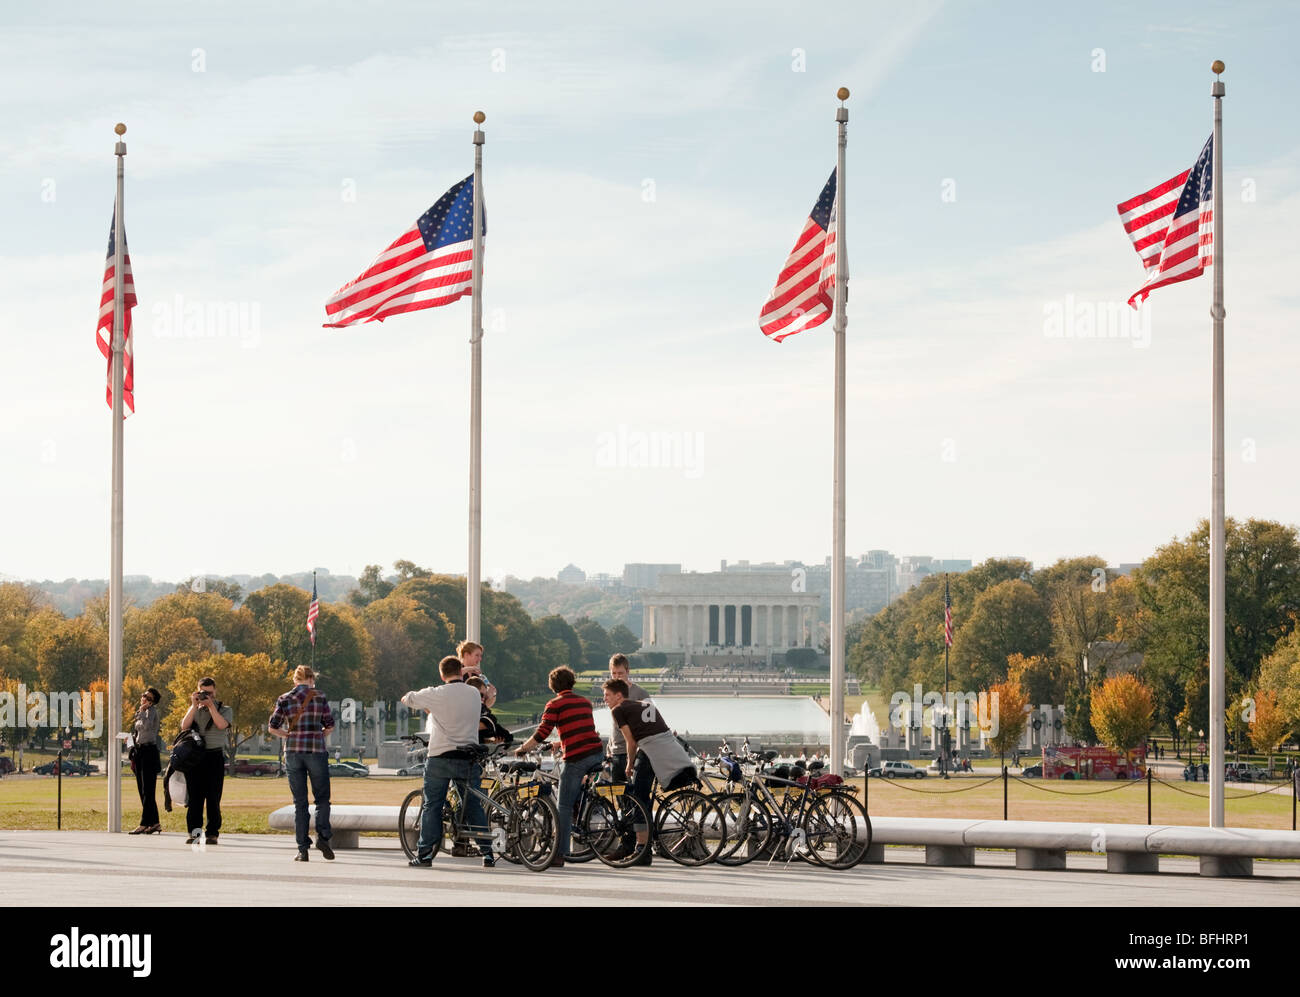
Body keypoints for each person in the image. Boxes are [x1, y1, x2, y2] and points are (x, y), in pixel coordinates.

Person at [402, 655, 495, 868]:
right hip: (468, 757)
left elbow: (408, 698)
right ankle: (487, 852)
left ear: (442, 674)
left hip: (441, 756)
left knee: (432, 805)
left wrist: (427, 700)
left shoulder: (436, 693)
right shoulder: (473, 693)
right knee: (473, 805)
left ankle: (425, 854)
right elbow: (488, 696)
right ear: (461, 673)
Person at [514, 667, 604, 868]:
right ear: (572, 682)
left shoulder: (555, 704)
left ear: (552, 685)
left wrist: (523, 748)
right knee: (575, 794)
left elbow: (542, 732)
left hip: (577, 757)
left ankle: (560, 853)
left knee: (563, 805)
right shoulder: (585, 702)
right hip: (596, 752)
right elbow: (581, 729)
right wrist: (559, 744)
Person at [602, 678, 696, 866]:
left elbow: (631, 742)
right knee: (644, 798)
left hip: (650, 751)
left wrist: (629, 764)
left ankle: (642, 850)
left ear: (619, 696)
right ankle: (645, 844)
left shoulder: (618, 710)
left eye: (607, 696)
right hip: (667, 749)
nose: (604, 700)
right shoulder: (644, 704)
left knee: (638, 799)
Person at [268, 665, 336, 862]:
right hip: (316, 750)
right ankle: (323, 837)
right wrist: (321, 734)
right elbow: (330, 724)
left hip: (293, 752)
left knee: (300, 802)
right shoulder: (319, 696)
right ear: (311, 679)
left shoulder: (284, 698)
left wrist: (286, 734)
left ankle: (302, 849)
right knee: (322, 798)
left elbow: (273, 727)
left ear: (295, 680)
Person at [180, 677, 232, 845]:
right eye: (203, 692)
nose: (206, 696)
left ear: (215, 692)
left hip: (214, 756)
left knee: (213, 797)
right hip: (195, 757)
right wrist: (194, 705)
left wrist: (210, 706)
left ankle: (212, 834)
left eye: (209, 693)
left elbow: (221, 725)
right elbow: (184, 726)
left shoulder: (224, 709)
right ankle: (194, 833)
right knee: (195, 797)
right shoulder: (194, 709)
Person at [606, 654, 649, 785]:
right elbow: (615, 724)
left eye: (620, 673)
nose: (617, 677)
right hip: (616, 751)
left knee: (635, 798)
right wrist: (609, 748)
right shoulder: (611, 693)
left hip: (634, 752)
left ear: (628, 672)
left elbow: (648, 722)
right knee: (620, 799)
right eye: (614, 673)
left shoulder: (640, 693)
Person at [128, 688, 162, 834]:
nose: (144, 699)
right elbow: (139, 732)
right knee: (142, 789)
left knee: (148, 790)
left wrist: (142, 711)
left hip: (149, 751)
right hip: (140, 751)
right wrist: (131, 740)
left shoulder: (152, 712)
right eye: (143, 695)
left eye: (148, 698)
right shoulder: (140, 713)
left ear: (152, 702)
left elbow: (148, 727)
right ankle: (154, 823)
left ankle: (144, 823)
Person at [465, 676, 512, 745]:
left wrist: (492, 740)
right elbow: (468, 732)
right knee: (491, 719)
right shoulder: (466, 708)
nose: (483, 699)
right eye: (481, 695)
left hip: (471, 747)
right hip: (460, 749)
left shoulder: (478, 708)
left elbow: (477, 737)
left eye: (485, 696)